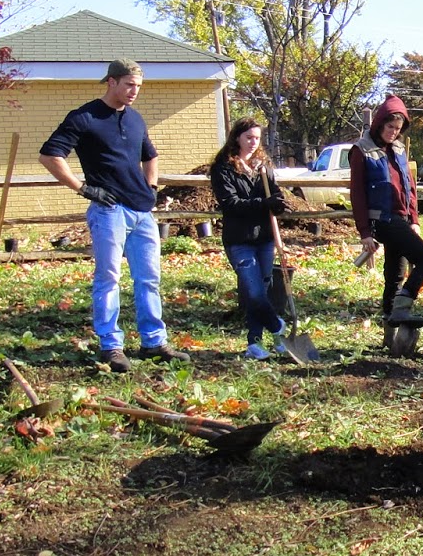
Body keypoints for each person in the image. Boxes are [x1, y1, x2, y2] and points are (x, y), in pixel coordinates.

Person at [38, 58, 189, 373]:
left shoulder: (135, 119)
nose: (134, 92)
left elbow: (151, 155)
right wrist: (83, 189)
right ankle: (111, 346)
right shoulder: (85, 117)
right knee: (109, 278)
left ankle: (154, 342)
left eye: (138, 86)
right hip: (108, 211)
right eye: (129, 85)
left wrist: (150, 185)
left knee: (149, 278)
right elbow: (50, 155)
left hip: (142, 211)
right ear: (111, 82)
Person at [349, 94, 423, 339]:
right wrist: (365, 232)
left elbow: (409, 186)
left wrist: (415, 220)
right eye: (390, 127)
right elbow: (357, 193)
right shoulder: (362, 150)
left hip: (401, 219)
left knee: (394, 275)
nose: (394, 133)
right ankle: (402, 306)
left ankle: (390, 336)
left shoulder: (398, 148)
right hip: (382, 220)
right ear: (379, 123)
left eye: (398, 129)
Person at [210, 116, 292, 361]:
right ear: (237, 137)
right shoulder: (223, 168)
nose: (253, 142)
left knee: (263, 291)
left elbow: (273, 196)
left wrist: (277, 205)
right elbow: (231, 204)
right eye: (248, 137)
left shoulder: (263, 168)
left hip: (265, 238)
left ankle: (254, 343)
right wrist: (263, 203)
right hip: (239, 240)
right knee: (253, 293)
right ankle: (278, 327)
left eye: (257, 138)